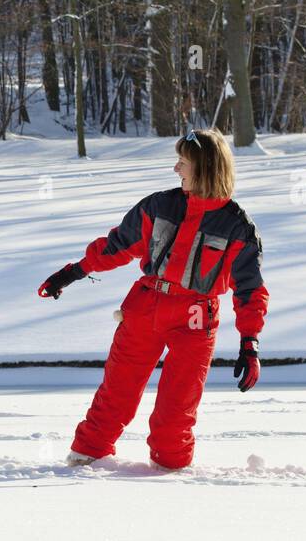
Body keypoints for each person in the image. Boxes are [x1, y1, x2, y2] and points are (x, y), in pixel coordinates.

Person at [38, 128, 268, 469]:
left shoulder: (237, 227)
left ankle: (170, 474)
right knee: (116, 394)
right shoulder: (159, 205)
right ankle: (85, 461)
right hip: (145, 308)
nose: (176, 169)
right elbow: (117, 246)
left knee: (177, 410)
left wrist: (250, 343)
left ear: (204, 168)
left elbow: (249, 289)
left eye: (183, 162)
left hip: (194, 320)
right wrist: (74, 272)